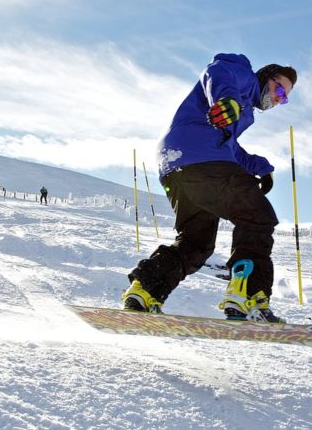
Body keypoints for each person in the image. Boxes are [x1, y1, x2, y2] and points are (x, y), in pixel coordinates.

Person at [122, 54, 296, 323]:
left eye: (285, 98)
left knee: (196, 243)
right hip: (201, 158)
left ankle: (144, 290)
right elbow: (217, 72)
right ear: (266, 77)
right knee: (258, 217)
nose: (278, 99)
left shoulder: (241, 110)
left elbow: (230, 147)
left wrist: (259, 166)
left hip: (176, 165)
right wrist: (226, 99)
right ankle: (248, 296)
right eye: (279, 89)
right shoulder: (241, 75)